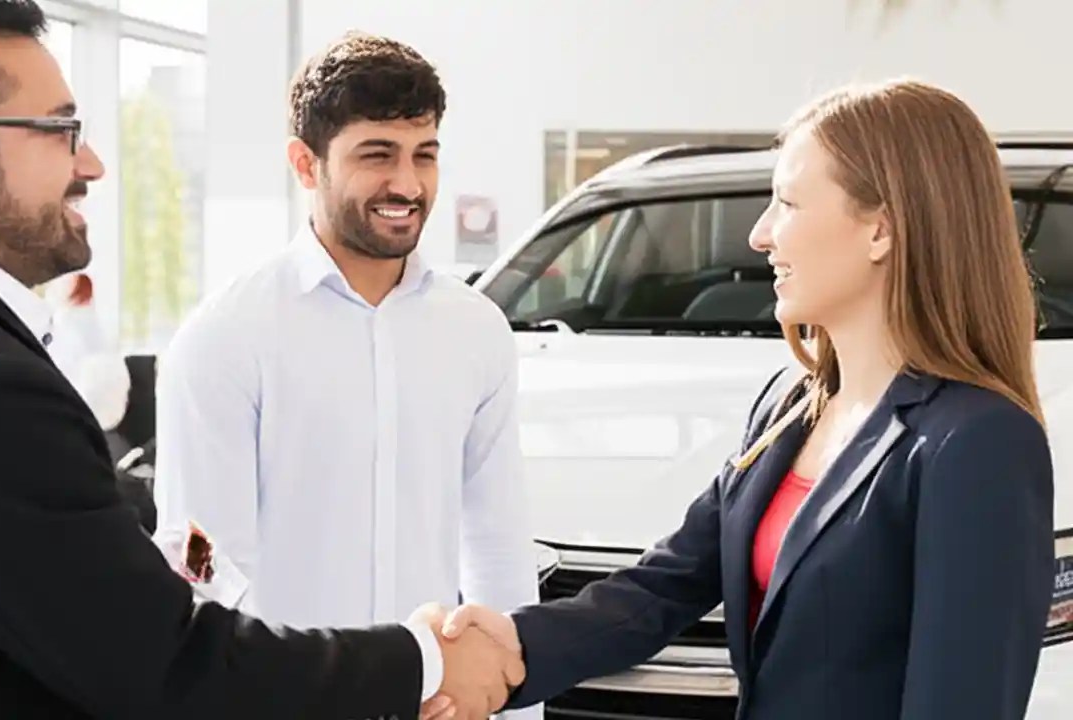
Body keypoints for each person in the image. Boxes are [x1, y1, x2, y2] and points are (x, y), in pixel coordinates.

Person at [0, 2, 521, 718]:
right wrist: (422, 661)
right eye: (60, 130)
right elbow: (172, 659)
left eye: (423, 153)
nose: (91, 163)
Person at [429, 79, 1055, 720]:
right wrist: (517, 644)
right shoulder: (790, 406)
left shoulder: (978, 442)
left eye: (787, 203)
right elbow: (669, 583)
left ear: (882, 231)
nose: (760, 234)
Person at [153, 32, 540, 719]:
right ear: (306, 164)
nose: (408, 184)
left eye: (424, 155)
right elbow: (207, 572)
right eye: (377, 155)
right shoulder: (225, 338)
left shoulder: (476, 330)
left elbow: (497, 544)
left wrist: (510, 704)